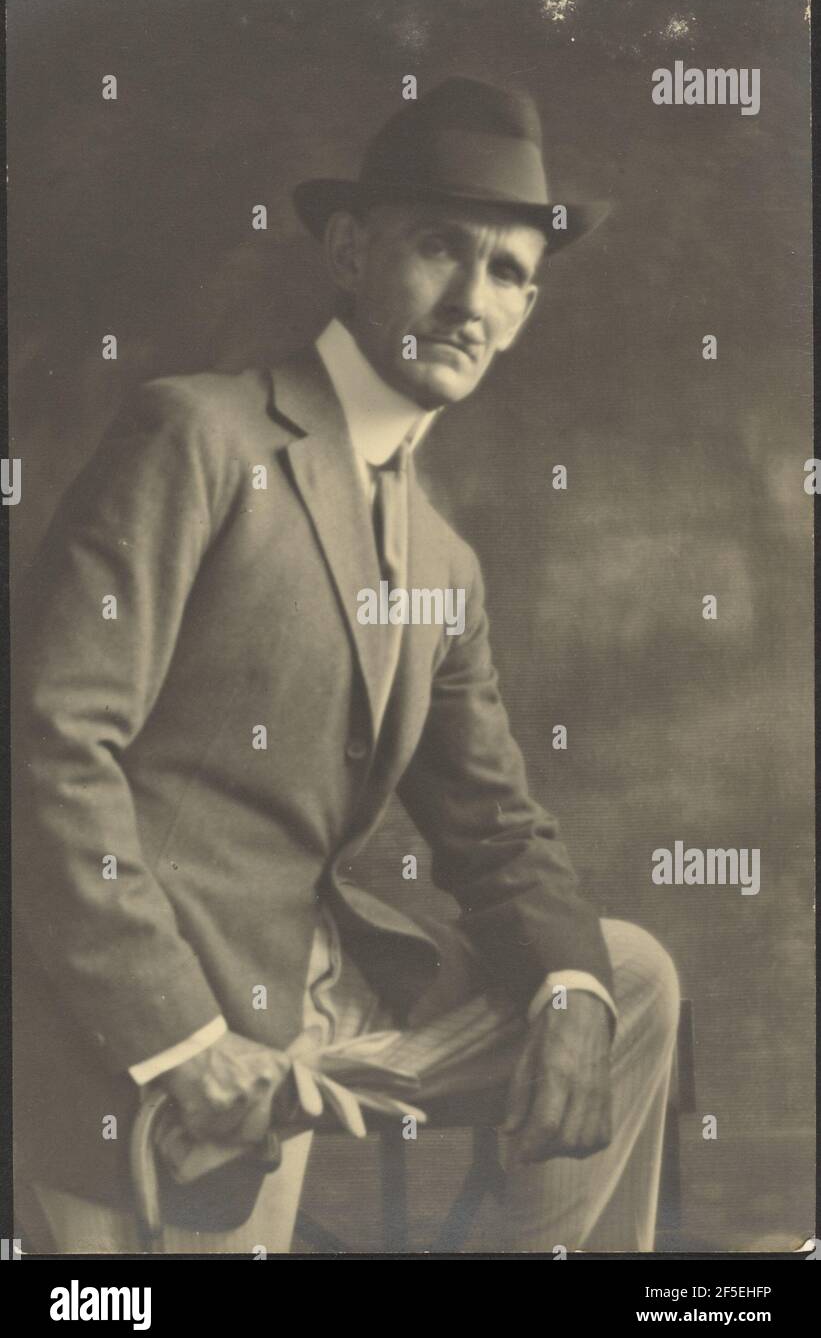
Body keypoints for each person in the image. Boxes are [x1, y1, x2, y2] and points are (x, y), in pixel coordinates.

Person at [13, 77, 679, 1254]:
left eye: (510, 272)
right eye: (441, 248)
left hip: (327, 996)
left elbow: (496, 828)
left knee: (623, 977)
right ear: (348, 249)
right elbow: (49, 749)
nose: (473, 301)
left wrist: (570, 998)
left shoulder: (443, 560)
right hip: (159, 1021)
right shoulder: (200, 436)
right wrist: (182, 1041)